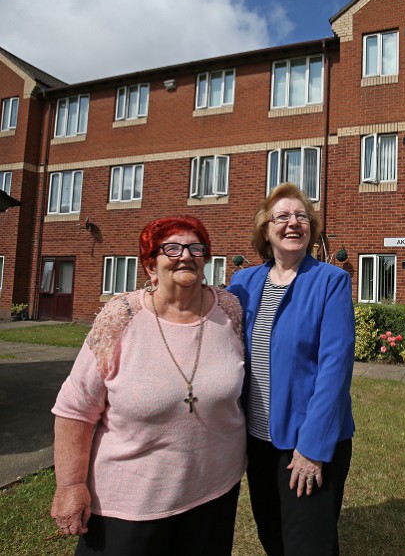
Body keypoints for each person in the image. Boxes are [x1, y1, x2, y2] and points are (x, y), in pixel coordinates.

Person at [50, 215, 246, 556]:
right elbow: (75, 408)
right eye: (171, 248)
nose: (185, 255)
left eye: (195, 247)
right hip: (130, 506)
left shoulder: (229, 311)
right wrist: (70, 485)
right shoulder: (121, 316)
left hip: (214, 494)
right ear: (150, 265)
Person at [228, 183, 355, 556]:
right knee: (273, 536)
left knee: (308, 544)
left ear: (311, 228)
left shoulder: (331, 281)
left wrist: (312, 448)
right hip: (258, 441)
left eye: (301, 216)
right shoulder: (244, 283)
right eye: (282, 216)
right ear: (265, 230)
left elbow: (335, 367)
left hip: (306, 441)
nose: (293, 223)